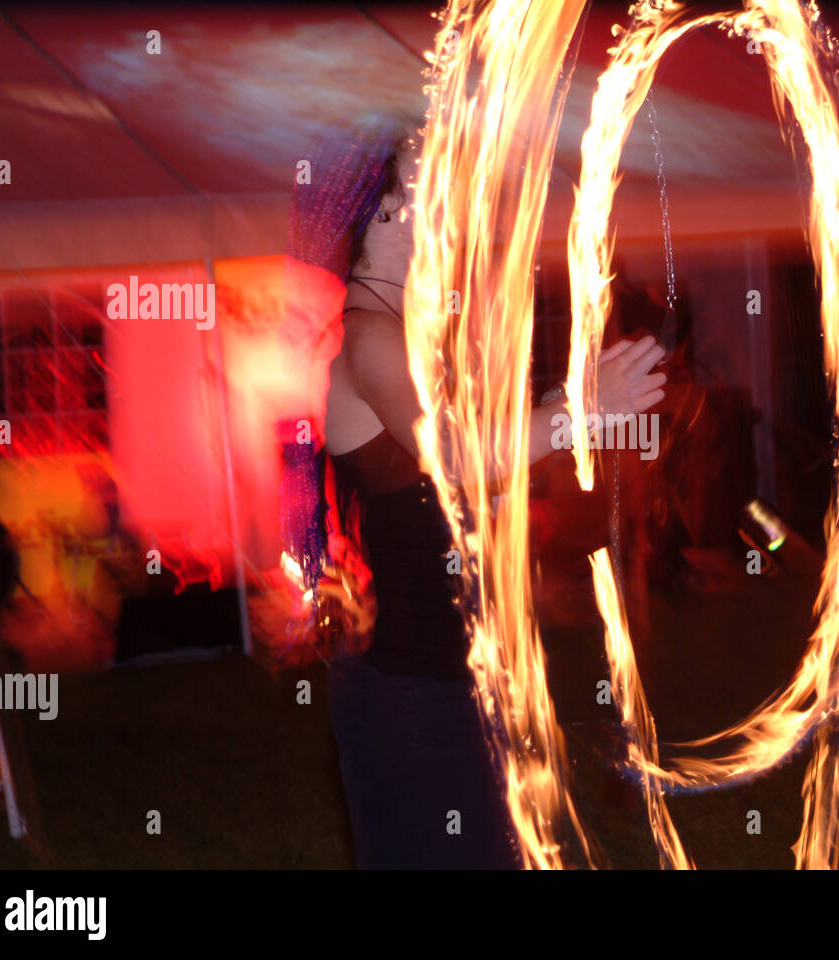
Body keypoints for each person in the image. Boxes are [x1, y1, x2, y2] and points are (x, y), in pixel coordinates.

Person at [293, 113, 666, 868]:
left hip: (454, 682)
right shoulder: (371, 339)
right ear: (388, 215)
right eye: (430, 191)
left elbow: (473, 484)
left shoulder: (411, 337)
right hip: (415, 698)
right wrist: (580, 411)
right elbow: (456, 453)